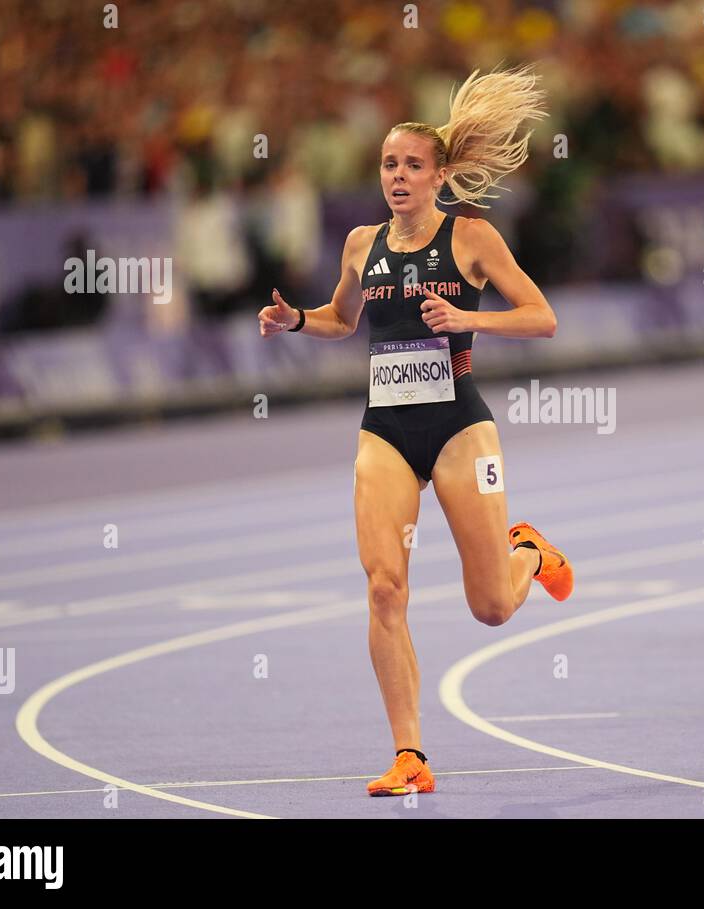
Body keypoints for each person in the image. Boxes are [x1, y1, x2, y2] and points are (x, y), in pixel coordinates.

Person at [259, 66, 573, 794]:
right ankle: (411, 757)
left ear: (439, 176)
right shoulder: (360, 244)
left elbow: (543, 317)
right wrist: (298, 319)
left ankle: (527, 550)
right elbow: (344, 320)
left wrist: (468, 317)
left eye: (412, 166)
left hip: (460, 426)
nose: (398, 176)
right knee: (382, 588)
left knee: (491, 606)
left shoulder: (472, 238)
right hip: (387, 433)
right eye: (389, 164)